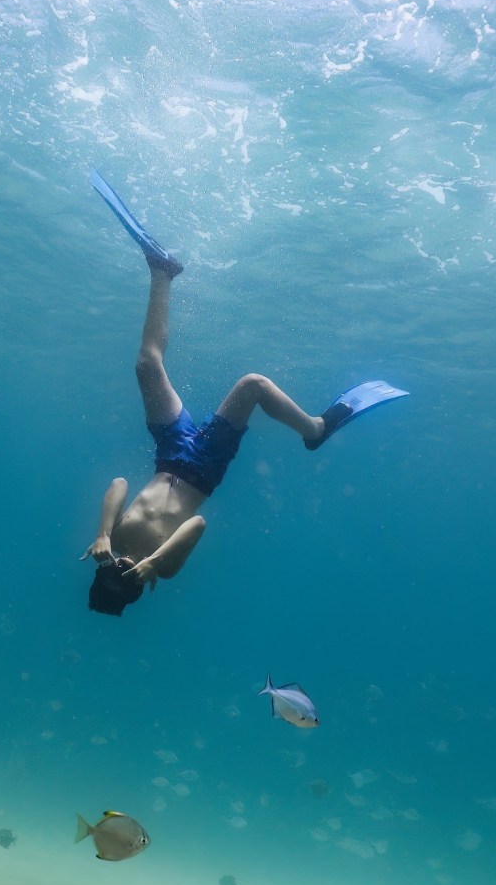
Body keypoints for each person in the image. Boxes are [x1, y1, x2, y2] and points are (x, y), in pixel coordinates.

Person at [83, 171, 408, 616]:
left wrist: (103, 532)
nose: (119, 570)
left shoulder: (115, 540)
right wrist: (154, 563)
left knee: (146, 366)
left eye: (108, 575)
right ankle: (315, 429)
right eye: (123, 583)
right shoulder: (166, 568)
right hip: (204, 466)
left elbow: (120, 484)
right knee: (253, 385)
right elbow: (196, 523)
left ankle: (162, 272)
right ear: (135, 590)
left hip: (169, 451)